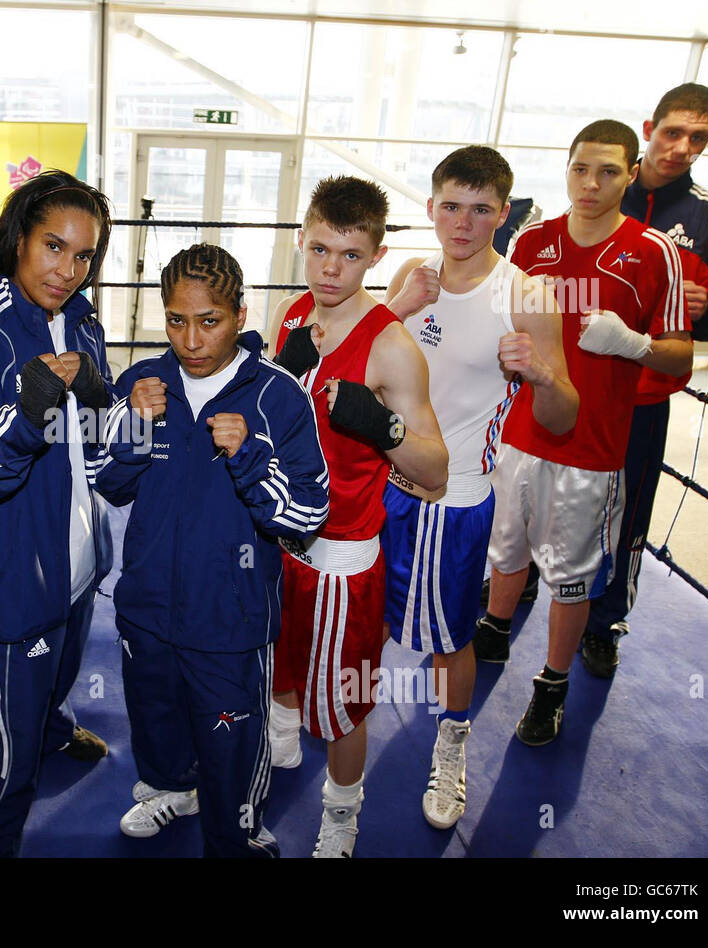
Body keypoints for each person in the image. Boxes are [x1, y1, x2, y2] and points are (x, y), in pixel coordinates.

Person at [96, 243, 329, 856]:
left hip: (230, 619)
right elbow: (111, 486)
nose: (192, 339)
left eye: (210, 321)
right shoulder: (142, 385)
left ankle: (238, 832)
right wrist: (135, 431)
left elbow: (308, 512)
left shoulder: (278, 396)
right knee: (154, 716)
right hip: (147, 606)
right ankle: (171, 788)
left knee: (232, 744)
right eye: (176, 320)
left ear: (241, 316)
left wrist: (251, 456)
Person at [476, 120, 693, 745]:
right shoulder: (533, 241)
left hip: (593, 451)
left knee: (570, 574)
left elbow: (680, 356)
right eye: (580, 169)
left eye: (607, 171)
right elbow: (501, 323)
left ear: (631, 174)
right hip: (520, 433)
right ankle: (493, 629)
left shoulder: (654, 252)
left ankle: (552, 685)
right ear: (566, 170)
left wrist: (634, 343)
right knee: (507, 551)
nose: (591, 184)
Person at [384, 146, 578, 829]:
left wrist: (545, 377)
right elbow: (364, 365)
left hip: (456, 496)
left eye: (481, 209)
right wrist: (390, 310)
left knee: (447, 637)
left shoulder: (525, 295)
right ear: (432, 206)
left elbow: (563, 416)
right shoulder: (414, 273)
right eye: (450, 206)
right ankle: (336, 718)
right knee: (358, 619)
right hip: (381, 481)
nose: (462, 223)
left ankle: (451, 742)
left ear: (502, 212)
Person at [0, 169, 115, 858]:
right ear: (18, 240)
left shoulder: (84, 319)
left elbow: (96, 448)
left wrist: (105, 402)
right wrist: (27, 413)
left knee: (58, 675)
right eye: (53, 247)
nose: (67, 269)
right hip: (9, 574)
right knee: (2, 760)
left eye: (84, 255)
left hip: (76, 557)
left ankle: (53, 723)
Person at [267, 176, 449, 857]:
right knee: (277, 664)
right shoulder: (290, 315)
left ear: (374, 255)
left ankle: (342, 814)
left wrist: (385, 429)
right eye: (319, 249)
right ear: (301, 239)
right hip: (279, 538)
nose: (329, 269)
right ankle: (280, 748)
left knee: (345, 704)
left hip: (342, 558)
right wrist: (276, 378)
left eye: (348, 255)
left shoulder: (390, 345)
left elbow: (435, 474)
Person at [583, 84, 708, 676]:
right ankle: (520, 583)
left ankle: (605, 623)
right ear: (650, 126)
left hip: (643, 394)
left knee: (626, 513)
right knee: (539, 495)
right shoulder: (602, 190)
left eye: (697, 137)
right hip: (575, 384)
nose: (680, 147)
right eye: (672, 132)